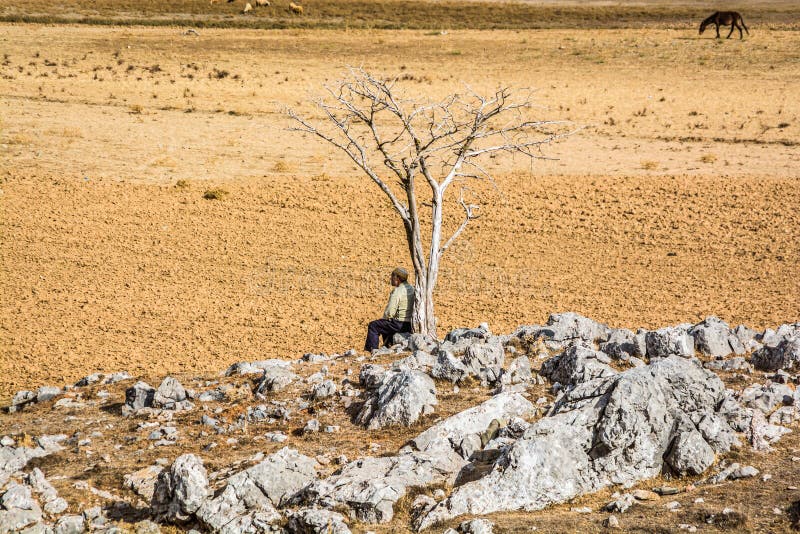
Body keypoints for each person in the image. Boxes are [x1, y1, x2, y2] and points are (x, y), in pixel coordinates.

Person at [364, 267, 415, 351]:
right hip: (409, 324)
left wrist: (386, 318)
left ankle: (371, 350)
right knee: (385, 325)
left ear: (398, 278)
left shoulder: (398, 291)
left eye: (392, 277)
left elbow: (390, 311)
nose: (390, 279)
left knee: (374, 325)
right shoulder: (412, 289)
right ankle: (388, 347)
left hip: (399, 323)